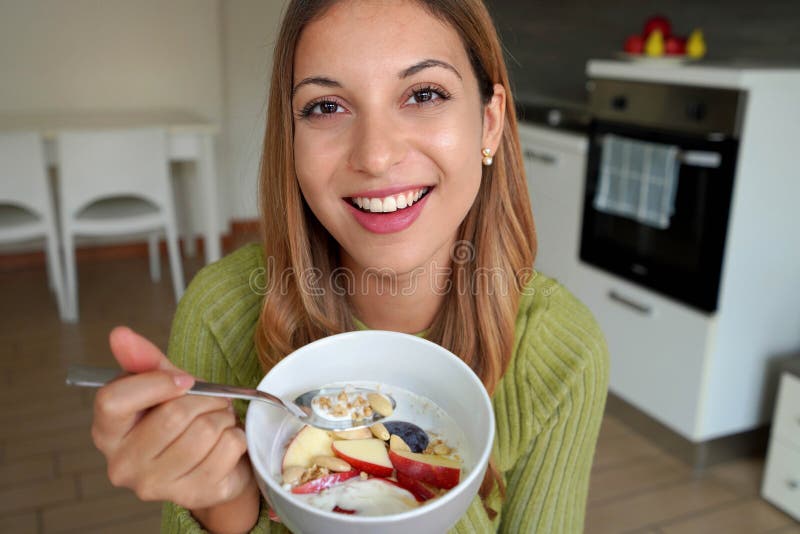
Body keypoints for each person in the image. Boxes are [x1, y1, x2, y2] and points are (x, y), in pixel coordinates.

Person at [90, 0, 609, 532]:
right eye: (327, 106)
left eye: (424, 94)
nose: (376, 156)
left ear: (489, 123)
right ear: (291, 138)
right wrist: (226, 502)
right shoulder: (221, 314)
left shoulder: (564, 351)